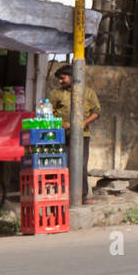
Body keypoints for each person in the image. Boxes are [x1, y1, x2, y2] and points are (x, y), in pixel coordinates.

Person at [49, 65, 101, 204]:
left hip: (82, 136)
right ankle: (63, 195)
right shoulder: (56, 94)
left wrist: (84, 122)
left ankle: (82, 196)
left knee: (81, 165)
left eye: (63, 78)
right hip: (61, 136)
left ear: (72, 77)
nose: (60, 82)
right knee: (63, 165)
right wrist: (60, 124)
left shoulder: (89, 92)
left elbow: (96, 112)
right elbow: (48, 113)